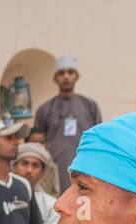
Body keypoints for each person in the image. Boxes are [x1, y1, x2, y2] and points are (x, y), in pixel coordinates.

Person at [31, 55, 101, 191]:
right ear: (55, 78)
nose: (66, 77)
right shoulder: (45, 109)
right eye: (61, 73)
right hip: (54, 168)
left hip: (85, 166)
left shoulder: (89, 105)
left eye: (70, 72)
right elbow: (37, 144)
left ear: (77, 77)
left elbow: (98, 139)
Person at [14, 140, 59, 224]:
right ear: (14, 166)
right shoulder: (2, 196)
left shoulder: (51, 205)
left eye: (35, 166)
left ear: (42, 172)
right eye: (24, 163)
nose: (29, 170)